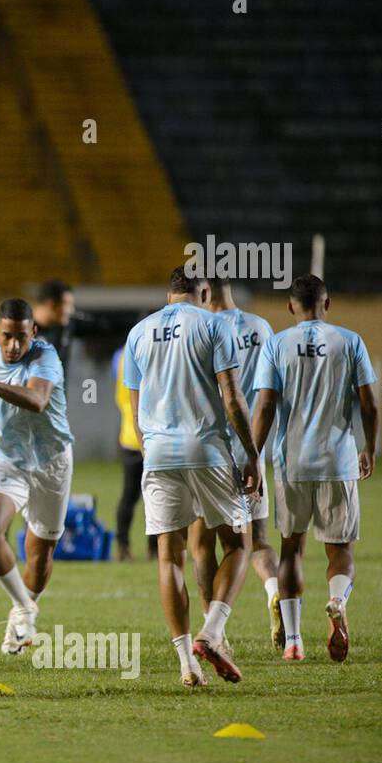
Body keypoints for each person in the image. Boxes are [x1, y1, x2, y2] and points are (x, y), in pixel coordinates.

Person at [122, 267, 259, 688]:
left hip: (158, 453)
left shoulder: (139, 332)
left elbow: (134, 404)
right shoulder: (214, 324)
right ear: (203, 292)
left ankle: (187, 664)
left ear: (169, 295)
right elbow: (233, 399)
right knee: (239, 542)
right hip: (206, 447)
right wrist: (251, 454)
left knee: (169, 555)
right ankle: (213, 631)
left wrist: (151, 453)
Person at [251, 274, 378, 663]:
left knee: (292, 549)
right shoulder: (350, 341)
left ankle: (293, 641)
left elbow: (267, 406)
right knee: (340, 550)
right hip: (337, 461)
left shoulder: (276, 345)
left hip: (292, 463)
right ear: (328, 304)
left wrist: (253, 457)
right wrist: (369, 447)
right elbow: (369, 404)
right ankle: (337, 602)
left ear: (291, 307)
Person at [0, 298, 74, 655]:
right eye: (7, 336)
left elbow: (37, 400)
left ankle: (21, 612)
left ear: (33, 333)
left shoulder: (46, 358)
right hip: (8, 459)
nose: (14, 346)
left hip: (52, 462)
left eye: (22, 337)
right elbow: (5, 380)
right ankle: (23, 606)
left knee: (39, 553)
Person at [188, 277, 280, 652]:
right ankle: (273, 591)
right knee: (257, 540)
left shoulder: (199, 329)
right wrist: (255, 451)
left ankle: (215, 630)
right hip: (251, 451)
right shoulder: (261, 328)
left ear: (204, 291)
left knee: (202, 545)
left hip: (209, 450)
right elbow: (267, 395)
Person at [112, 345, 156, 561]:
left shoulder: (119, 356)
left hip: (128, 435)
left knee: (129, 495)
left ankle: (122, 546)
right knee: (155, 496)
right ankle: (154, 550)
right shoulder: (153, 352)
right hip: (150, 437)